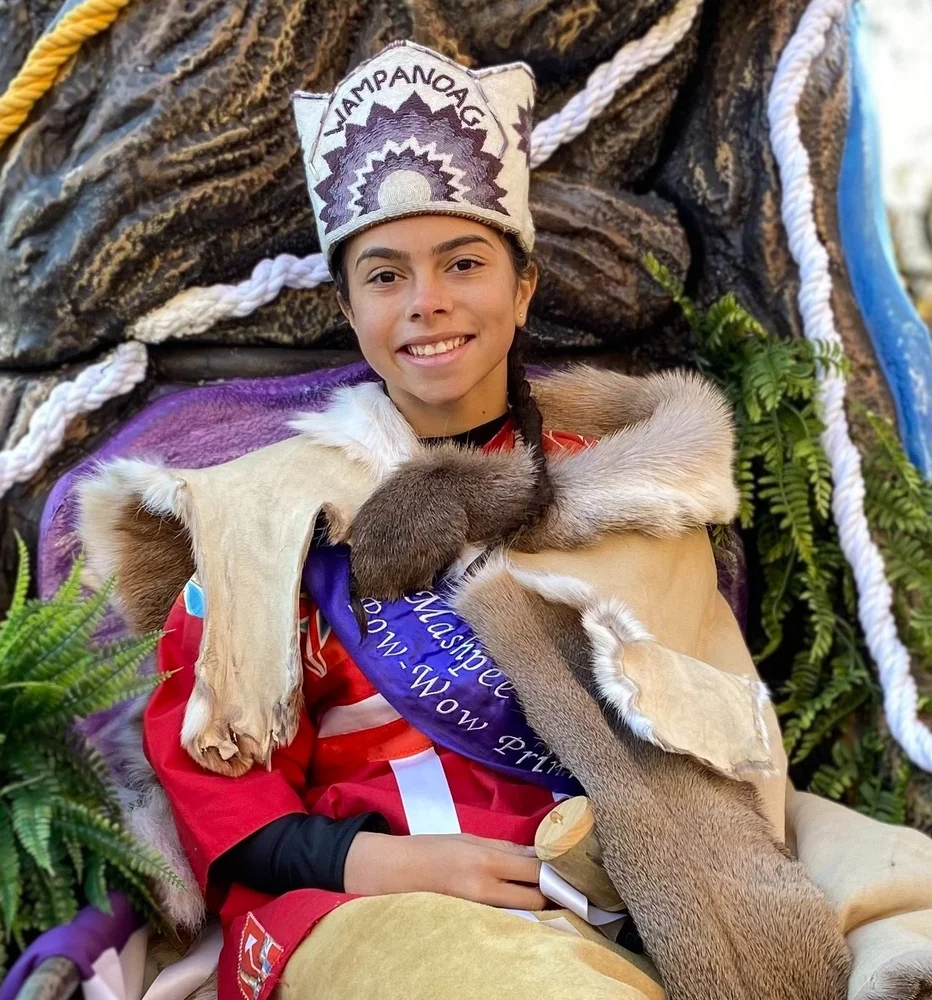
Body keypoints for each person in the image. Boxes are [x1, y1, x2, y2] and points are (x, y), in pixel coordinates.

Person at [78, 39, 932, 1000]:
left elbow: (724, 745)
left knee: (887, 882)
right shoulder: (265, 515)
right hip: (362, 909)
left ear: (522, 288)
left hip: (611, 889)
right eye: (387, 275)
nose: (427, 302)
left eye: (463, 262)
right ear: (351, 309)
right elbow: (215, 781)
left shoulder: (625, 491)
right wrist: (384, 867)